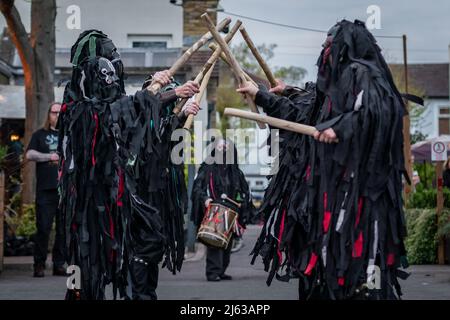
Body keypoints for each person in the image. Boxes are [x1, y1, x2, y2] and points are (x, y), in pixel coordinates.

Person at [238, 20, 409, 300]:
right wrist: (262, 96)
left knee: (354, 280)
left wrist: (341, 128)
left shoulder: (363, 74)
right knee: (318, 278)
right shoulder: (329, 89)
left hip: (355, 203)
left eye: (328, 45)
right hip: (321, 205)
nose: (323, 51)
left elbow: (380, 110)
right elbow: (299, 113)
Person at [58, 30, 199, 300]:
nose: (113, 72)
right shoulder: (81, 109)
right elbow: (119, 112)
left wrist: (175, 110)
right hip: (92, 206)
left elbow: (136, 124)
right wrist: (168, 94)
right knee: (86, 272)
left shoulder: (110, 106)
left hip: (120, 202)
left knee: (131, 265)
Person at [191, 138, 255, 281]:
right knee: (214, 242)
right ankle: (212, 272)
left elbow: (243, 190)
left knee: (227, 243)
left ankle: (221, 270)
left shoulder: (235, 171)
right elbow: (197, 188)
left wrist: (242, 202)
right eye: (220, 147)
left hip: (231, 211)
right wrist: (205, 198)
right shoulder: (207, 168)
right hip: (214, 210)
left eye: (225, 147)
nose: (223, 149)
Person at [26, 102, 65, 278]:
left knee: (63, 230)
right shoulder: (39, 135)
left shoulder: (68, 135)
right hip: (45, 190)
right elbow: (29, 154)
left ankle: (59, 265)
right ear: (48, 114)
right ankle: (39, 265)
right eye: (54, 112)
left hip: (64, 190)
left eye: (60, 112)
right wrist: (49, 156)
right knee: (43, 228)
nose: (57, 115)